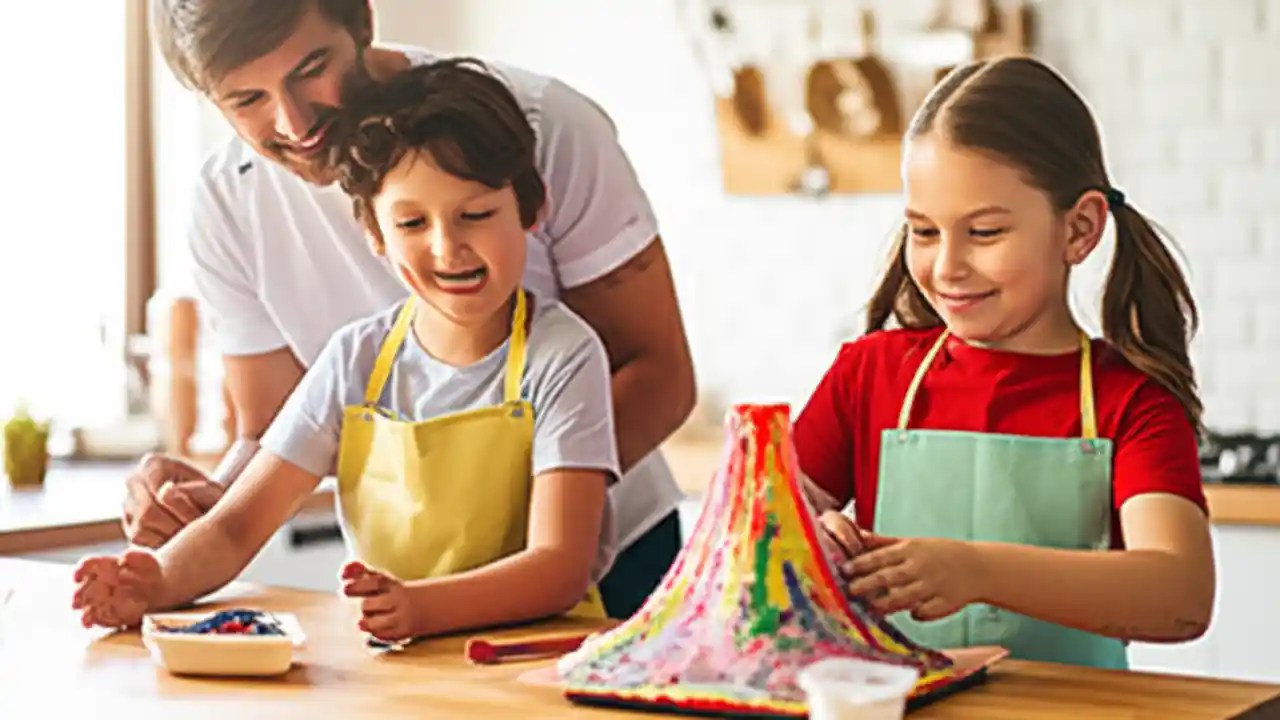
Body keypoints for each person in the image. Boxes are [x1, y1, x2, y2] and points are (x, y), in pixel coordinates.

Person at [124, 0, 694, 619]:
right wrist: (212, 507)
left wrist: (519, 520)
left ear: (362, 23)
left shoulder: (536, 125)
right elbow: (268, 430)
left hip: (610, 564)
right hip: (414, 590)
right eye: (246, 101)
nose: (292, 122)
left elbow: (660, 373)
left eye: (310, 67)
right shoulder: (228, 199)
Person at [798, 56, 1215, 669]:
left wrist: (975, 569)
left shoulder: (1132, 404)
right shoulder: (868, 374)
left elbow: (1181, 596)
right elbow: (752, 538)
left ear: (1079, 229)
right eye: (924, 231)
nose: (946, 268)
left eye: (985, 233)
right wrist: (805, 542)